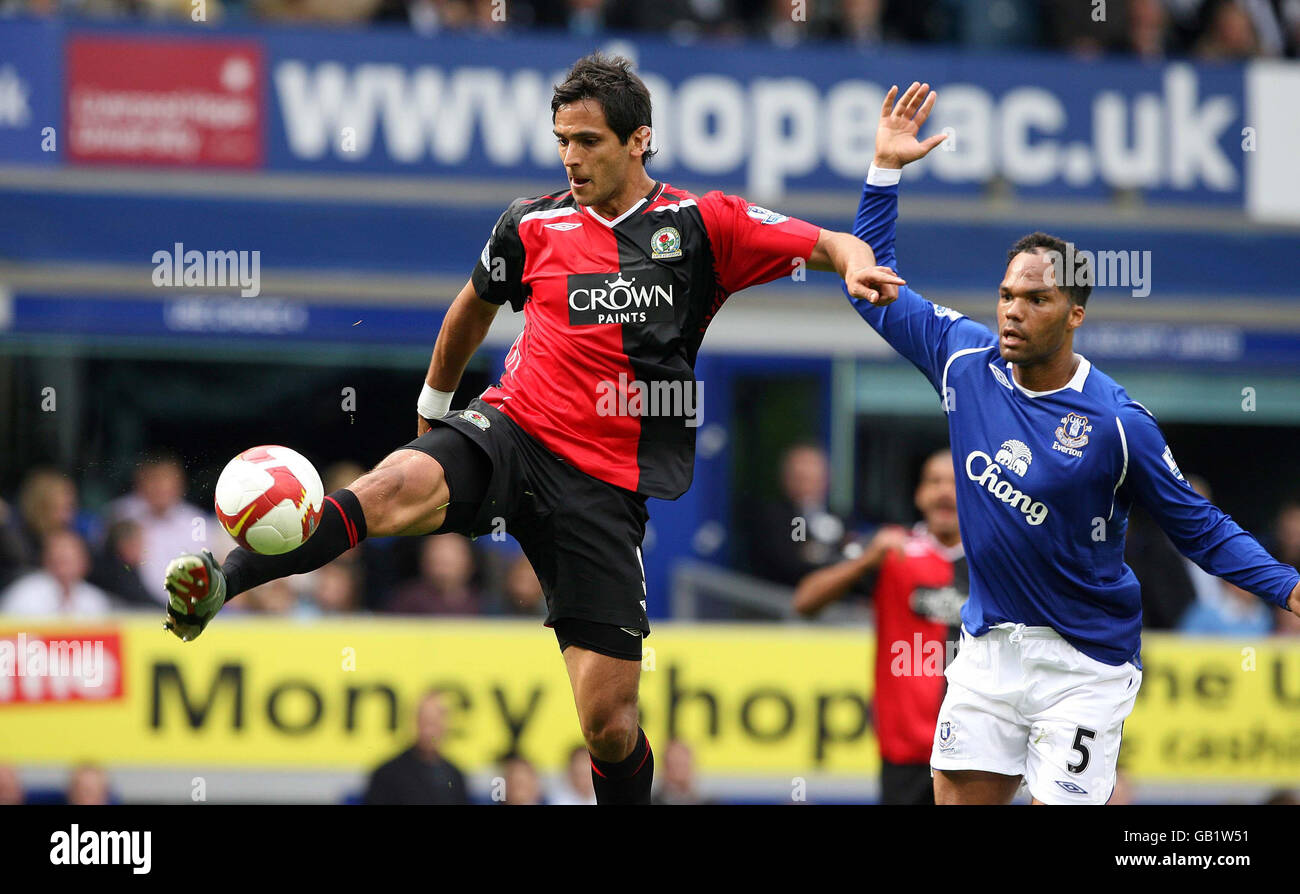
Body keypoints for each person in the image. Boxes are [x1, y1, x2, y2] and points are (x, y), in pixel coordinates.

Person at [160, 53, 902, 805]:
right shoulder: (531, 223)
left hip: (604, 489)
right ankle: (226, 580)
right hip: (512, 430)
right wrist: (436, 407)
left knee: (608, 724)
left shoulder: (703, 224)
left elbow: (827, 243)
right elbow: (468, 312)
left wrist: (856, 263)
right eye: (562, 142)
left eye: (589, 141)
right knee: (390, 486)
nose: (572, 158)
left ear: (638, 140)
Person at [845, 82, 1300, 805]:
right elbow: (867, 285)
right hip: (989, 649)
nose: (1012, 312)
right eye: (1005, 296)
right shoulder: (964, 359)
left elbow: (1201, 529)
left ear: (1075, 313)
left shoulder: (1119, 423)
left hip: (1083, 663)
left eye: (1035, 299)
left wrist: (1288, 586)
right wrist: (884, 173)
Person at [793, 448, 965, 805]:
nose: (945, 491)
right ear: (920, 494)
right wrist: (866, 560)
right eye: (934, 482)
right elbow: (805, 602)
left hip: (974, 749)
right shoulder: (893, 552)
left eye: (955, 482)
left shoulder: (995, 559)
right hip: (904, 752)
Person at [749, 444, 849, 587]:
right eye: (802, 478)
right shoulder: (775, 516)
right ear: (787, 480)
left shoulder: (840, 516)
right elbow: (792, 564)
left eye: (815, 479)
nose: (809, 486)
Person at [364, 689, 469, 805]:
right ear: (415, 722)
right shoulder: (387, 775)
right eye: (426, 722)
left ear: (445, 726)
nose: (429, 731)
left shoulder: (454, 776)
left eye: (435, 723)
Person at [0, 529, 112, 617]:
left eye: (70, 560)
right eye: (60, 559)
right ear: (46, 560)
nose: (65, 568)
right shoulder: (24, 594)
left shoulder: (94, 599)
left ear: (85, 563)